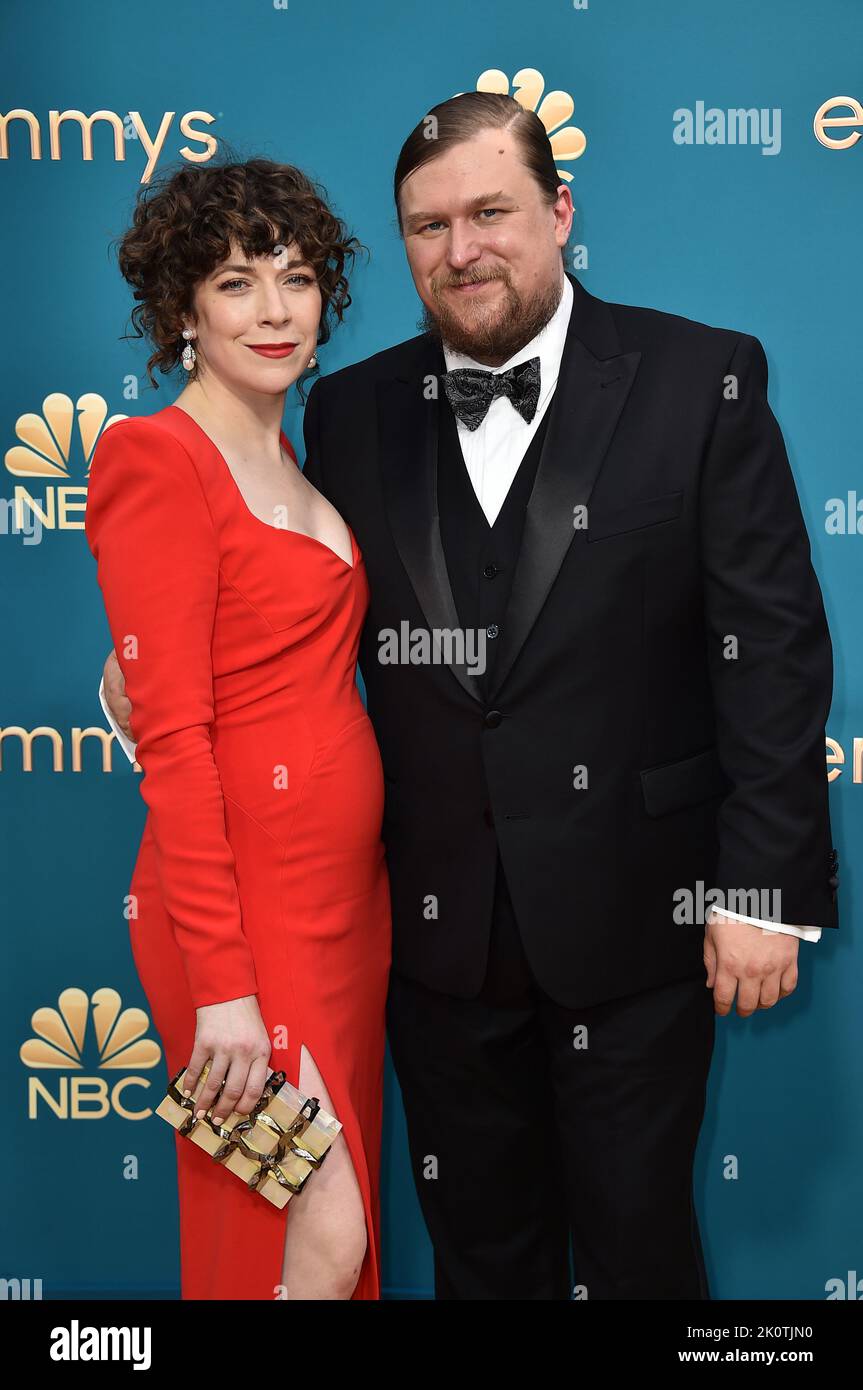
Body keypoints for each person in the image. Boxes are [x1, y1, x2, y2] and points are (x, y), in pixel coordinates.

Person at [102, 93, 839, 1300]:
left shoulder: (698, 375)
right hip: (423, 935)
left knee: (637, 1251)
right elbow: (208, 582)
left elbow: (768, 648)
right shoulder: (347, 409)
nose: (462, 248)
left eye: (490, 211)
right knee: (463, 1260)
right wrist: (124, 662)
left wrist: (762, 886)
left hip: (635, 919)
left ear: (558, 213)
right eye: (428, 224)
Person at [86, 157, 391, 1301]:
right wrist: (221, 985)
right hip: (238, 926)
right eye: (233, 283)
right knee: (322, 1225)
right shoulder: (155, 457)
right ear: (181, 311)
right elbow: (172, 733)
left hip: (340, 913)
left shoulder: (294, 459)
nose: (273, 311)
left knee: (310, 1226)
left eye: (296, 279)